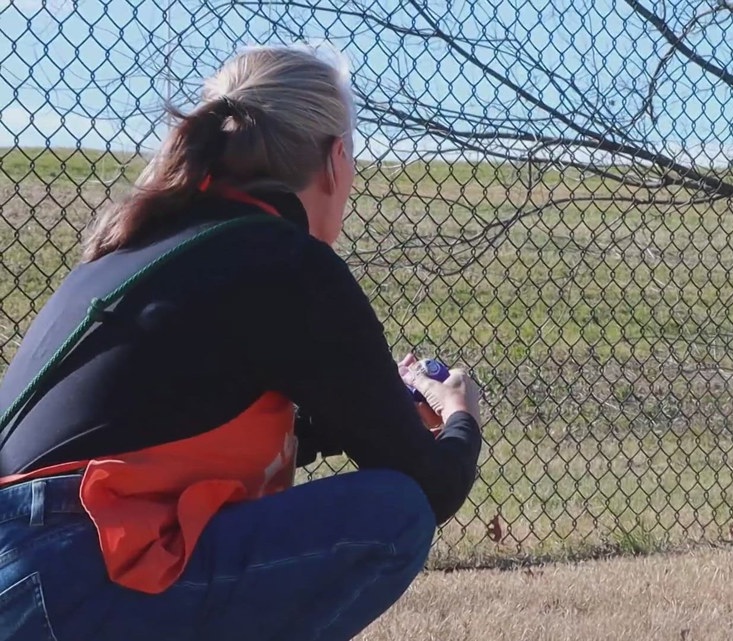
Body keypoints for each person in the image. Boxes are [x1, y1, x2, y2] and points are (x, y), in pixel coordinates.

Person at [0, 43, 483, 641]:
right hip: (65, 572)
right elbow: (431, 486)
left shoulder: (143, 244)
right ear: (335, 160)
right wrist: (460, 416)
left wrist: (365, 410)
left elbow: (175, 427)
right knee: (393, 515)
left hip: (27, 564)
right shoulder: (289, 263)